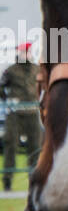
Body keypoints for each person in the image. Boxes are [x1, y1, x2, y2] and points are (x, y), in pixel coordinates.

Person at [1, 43, 41, 191]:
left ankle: (34, 180)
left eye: (28, 51)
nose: (26, 54)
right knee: (10, 145)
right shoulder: (10, 70)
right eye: (23, 51)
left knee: (35, 147)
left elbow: (42, 87)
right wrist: (8, 100)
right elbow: (1, 87)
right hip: (15, 114)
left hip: (32, 112)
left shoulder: (37, 69)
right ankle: (7, 180)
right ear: (18, 53)